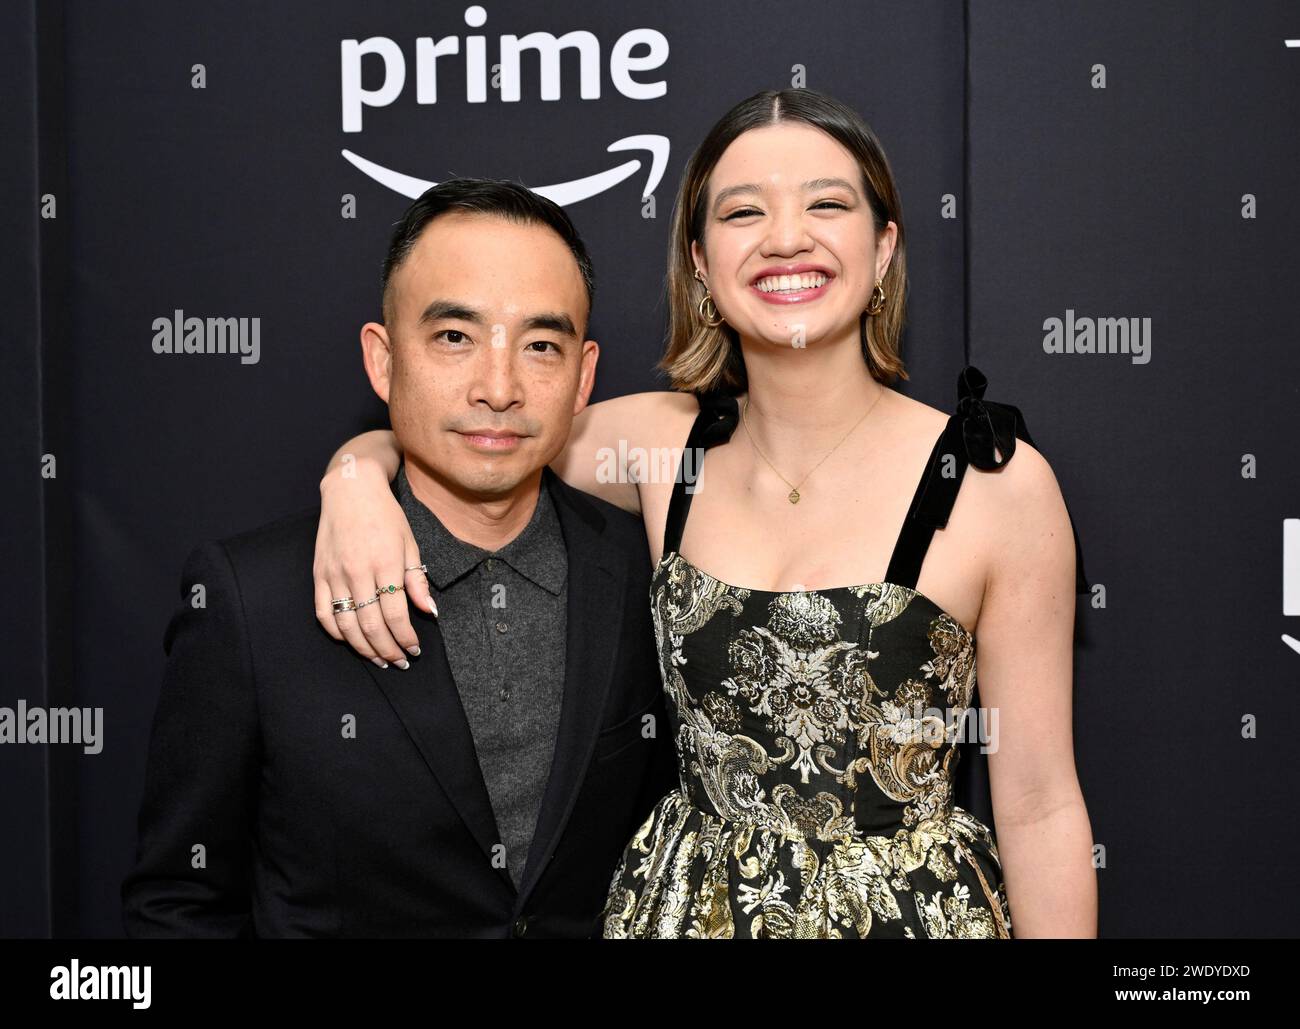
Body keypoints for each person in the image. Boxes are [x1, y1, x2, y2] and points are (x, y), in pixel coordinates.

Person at [312, 89, 1100, 938]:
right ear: (699, 262)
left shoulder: (995, 485)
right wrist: (354, 476)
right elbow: (483, 426)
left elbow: (1039, 805)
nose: (786, 237)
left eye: (826, 204)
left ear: (884, 249)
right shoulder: (658, 449)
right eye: (743, 211)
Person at [122, 178, 676, 938]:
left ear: (584, 377)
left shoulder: (646, 573)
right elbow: (179, 906)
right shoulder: (250, 602)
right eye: (455, 337)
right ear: (383, 361)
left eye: (540, 345)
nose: (499, 387)